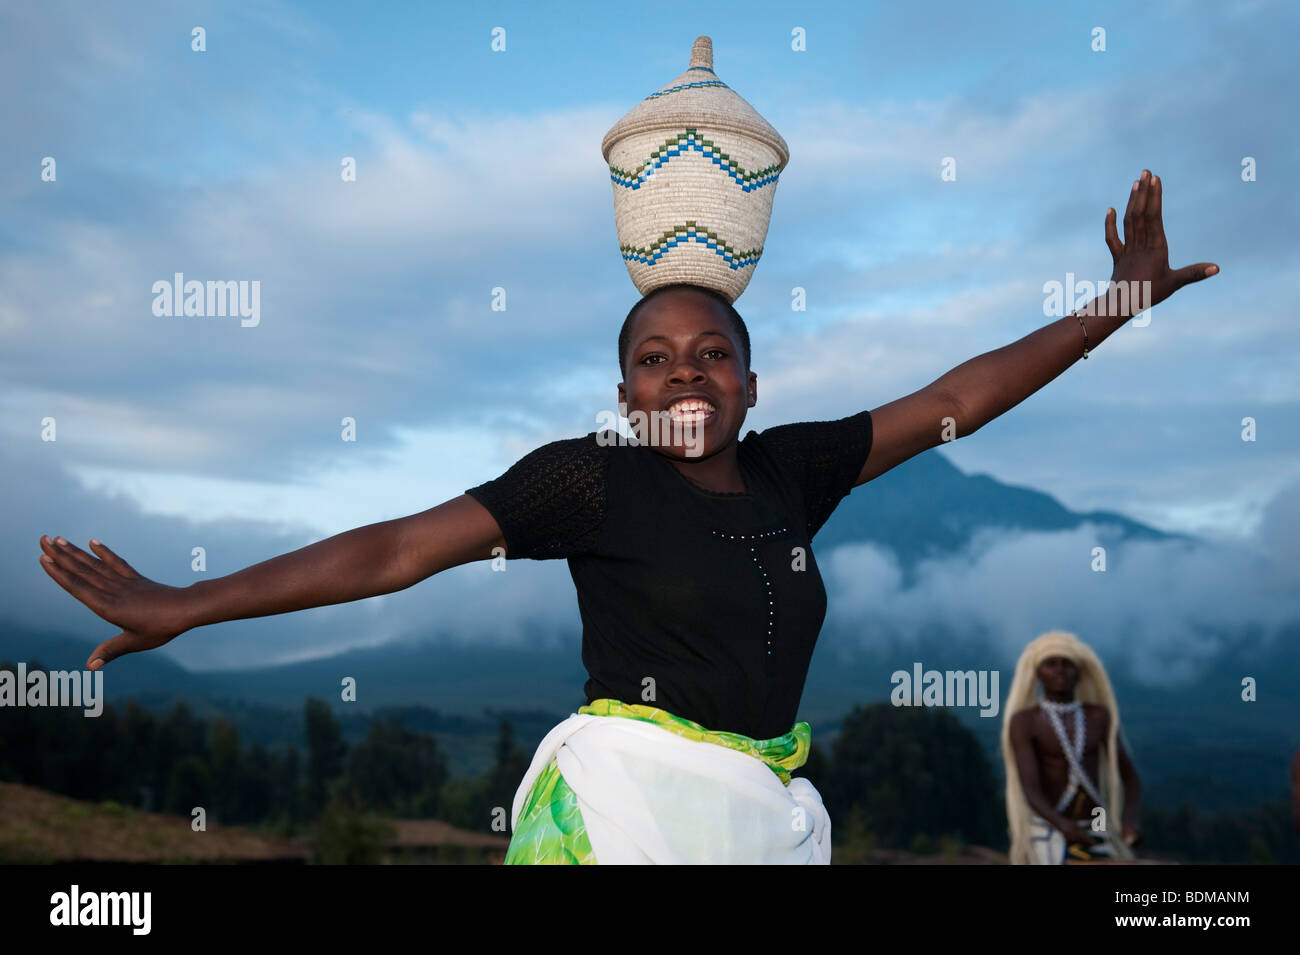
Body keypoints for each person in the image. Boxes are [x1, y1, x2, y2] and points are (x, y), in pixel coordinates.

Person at [38, 170, 1214, 864]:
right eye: (654, 360)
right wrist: (186, 604)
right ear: (624, 396)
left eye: (713, 356)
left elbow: (960, 398)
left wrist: (1117, 301)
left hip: (763, 813)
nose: (685, 374)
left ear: (751, 385)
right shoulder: (591, 480)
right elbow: (394, 548)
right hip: (622, 815)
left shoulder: (793, 470)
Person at [1002, 630, 1142, 864]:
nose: (1060, 671)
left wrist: (1130, 822)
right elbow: (1029, 787)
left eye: (1067, 664)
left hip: (1096, 824)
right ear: (1037, 673)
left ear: (1079, 672)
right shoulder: (1025, 722)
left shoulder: (1098, 717)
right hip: (1048, 829)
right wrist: (1060, 823)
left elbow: (1130, 778)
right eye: (1051, 664)